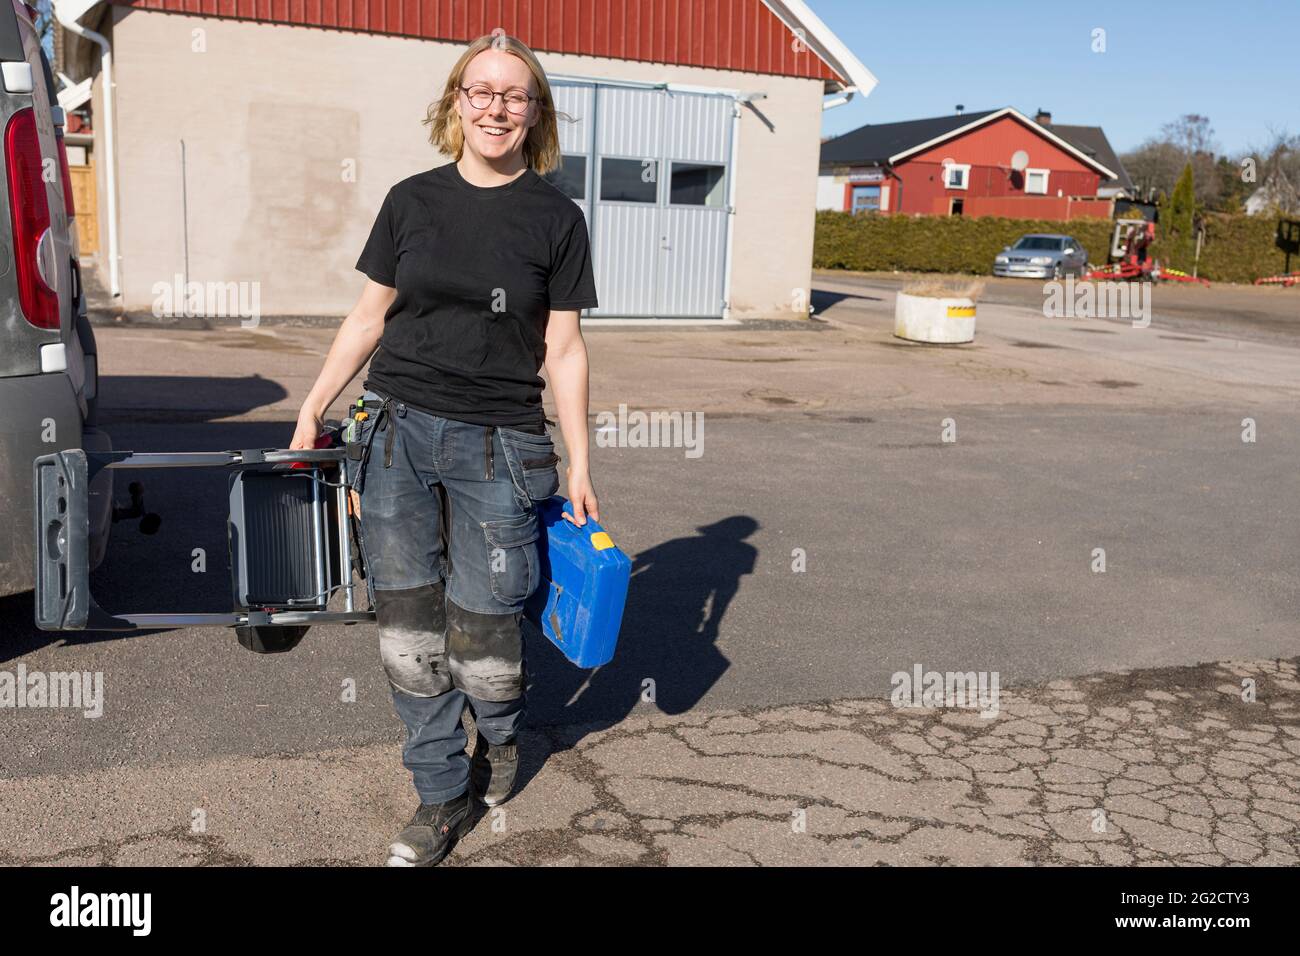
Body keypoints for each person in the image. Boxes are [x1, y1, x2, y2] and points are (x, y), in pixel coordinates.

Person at [290, 32, 600, 867]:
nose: (497, 107)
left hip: (501, 443)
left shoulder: (555, 218)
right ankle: (438, 792)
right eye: (481, 91)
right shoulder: (411, 200)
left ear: (534, 114)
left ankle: (497, 737)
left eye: (515, 95)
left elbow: (563, 349)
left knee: (487, 628)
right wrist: (315, 404)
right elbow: (368, 316)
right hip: (394, 431)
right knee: (407, 627)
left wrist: (579, 461)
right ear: (455, 103)